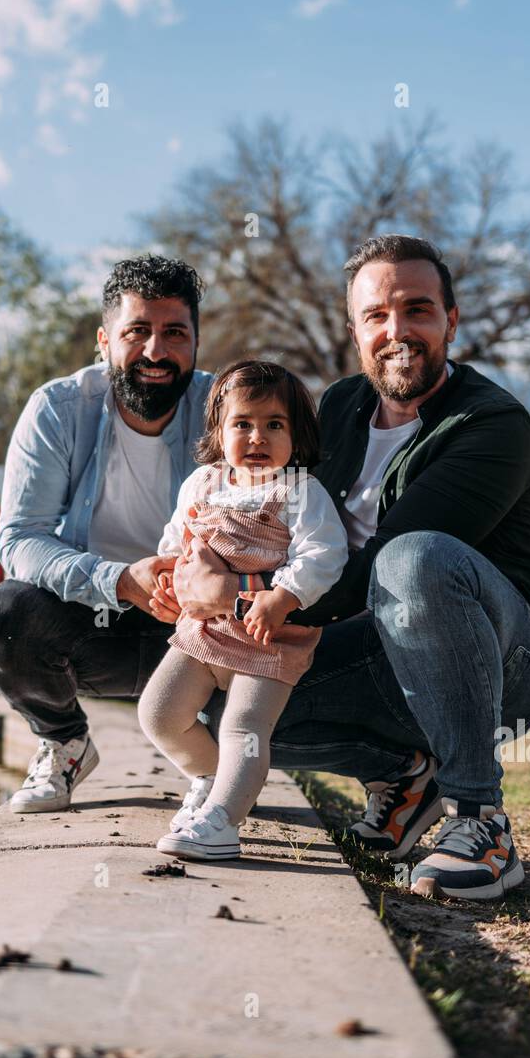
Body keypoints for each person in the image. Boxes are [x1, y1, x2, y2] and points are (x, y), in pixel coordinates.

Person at [160, 235, 530, 900]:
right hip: (369, 643)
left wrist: (257, 596)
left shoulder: (491, 424)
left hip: (506, 660)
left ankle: (480, 820)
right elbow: (271, 521)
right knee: (219, 716)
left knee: (412, 558)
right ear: (355, 327)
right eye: (377, 315)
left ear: (451, 318)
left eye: (417, 309)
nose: (397, 331)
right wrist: (197, 568)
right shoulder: (336, 407)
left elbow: (390, 557)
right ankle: (403, 776)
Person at [0, 254, 212, 813]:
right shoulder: (58, 408)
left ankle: (214, 764)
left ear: (196, 341)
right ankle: (64, 743)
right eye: (138, 332)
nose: (156, 351)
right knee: (4, 620)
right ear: (104, 341)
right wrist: (117, 580)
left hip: (198, 627)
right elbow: (20, 537)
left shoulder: (227, 409)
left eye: (175, 332)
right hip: (88, 623)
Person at [137, 360, 348, 860]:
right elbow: (176, 545)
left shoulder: (299, 490)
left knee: (244, 729)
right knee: (160, 714)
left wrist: (285, 596)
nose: (258, 437)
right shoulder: (201, 485)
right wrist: (168, 579)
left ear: (296, 436)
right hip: (204, 632)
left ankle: (223, 823)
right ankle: (210, 779)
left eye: (275, 425)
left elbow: (324, 553)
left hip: (267, 636)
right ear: (219, 430)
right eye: (243, 424)